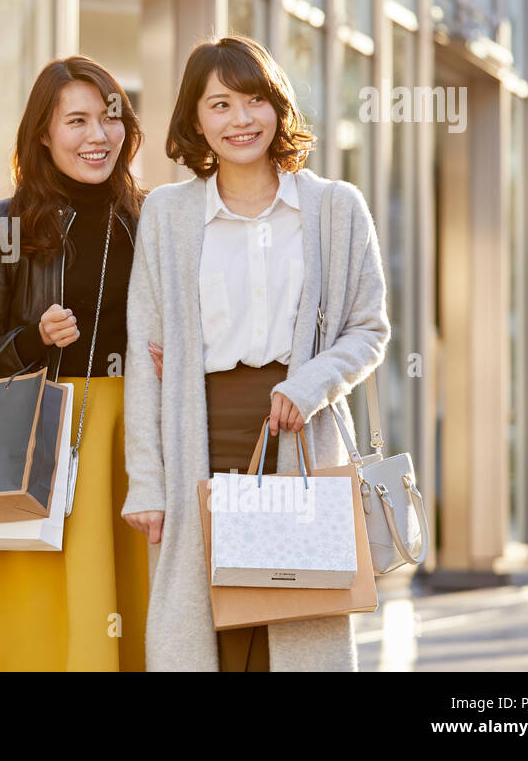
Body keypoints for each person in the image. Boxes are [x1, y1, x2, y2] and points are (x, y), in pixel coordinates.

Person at [121, 35, 390, 671]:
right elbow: (144, 354)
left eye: (253, 101)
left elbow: (369, 330)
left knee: (294, 621)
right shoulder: (167, 213)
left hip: (300, 437)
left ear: (278, 106)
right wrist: (147, 481)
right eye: (219, 105)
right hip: (202, 441)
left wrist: (311, 383)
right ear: (195, 119)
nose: (239, 120)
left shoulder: (334, 208)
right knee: (209, 633)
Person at [0, 55, 150, 671]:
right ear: (43, 132)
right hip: (41, 438)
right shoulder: (3, 225)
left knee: (126, 605)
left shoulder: (149, 220)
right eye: (77, 121)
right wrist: (33, 340)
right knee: (36, 623)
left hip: (129, 439)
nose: (98, 136)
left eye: (109, 118)